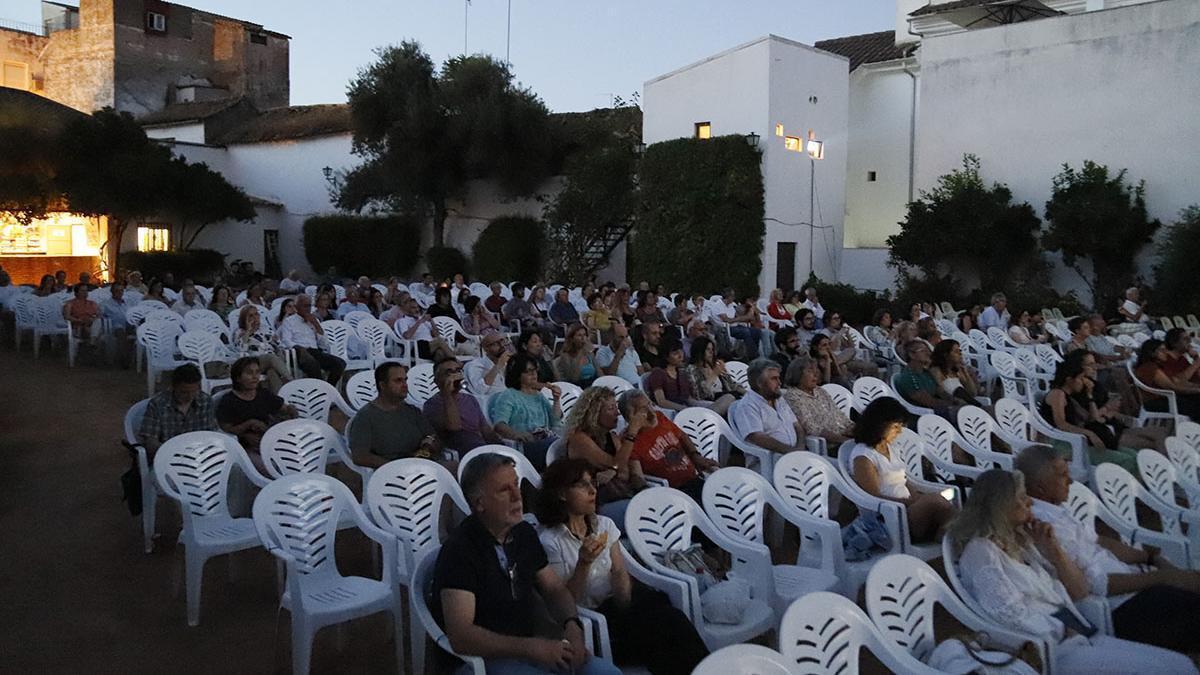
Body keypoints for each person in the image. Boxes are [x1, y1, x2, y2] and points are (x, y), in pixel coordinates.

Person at [947, 469, 1196, 675]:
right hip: (1051, 650)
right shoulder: (981, 553)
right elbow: (1007, 614)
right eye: (1022, 498)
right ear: (1001, 507)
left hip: (1080, 632)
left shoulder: (1024, 543)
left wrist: (1054, 551)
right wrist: (1060, 628)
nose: (1030, 502)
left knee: (1180, 665)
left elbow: (1079, 591)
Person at [432, 453, 621, 675]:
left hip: (529, 651)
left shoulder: (522, 534)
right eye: (504, 490)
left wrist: (572, 626)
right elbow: (462, 636)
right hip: (479, 661)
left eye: (515, 485)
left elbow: (554, 589)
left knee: (607, 672)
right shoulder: (461, 550)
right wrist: (532, 648)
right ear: (479, 503)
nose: (517, 496)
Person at [1016, 445, 1200, 653]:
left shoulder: (1057, 510)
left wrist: (1149, 557)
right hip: (1121, 607)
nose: (1072, 480)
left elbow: (1099, 540)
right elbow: (1096, 585)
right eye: (1063, 475)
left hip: (1136, 584)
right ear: (1040, 487)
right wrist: (1163, 578)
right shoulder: (1045, 526)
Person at [536, 459, 709, 675]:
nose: (592, 491)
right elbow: (565, 601)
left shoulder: (604, 525)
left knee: (670, 622)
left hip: (617, 609)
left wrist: (625, 593)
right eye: (582, 485)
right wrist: (584, 563)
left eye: (593, 483)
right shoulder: (551, 541)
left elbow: (619, 574)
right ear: (562, 494)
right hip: (591, 623)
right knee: (666, 632)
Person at [850, 397, 956, 543]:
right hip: (887, 516)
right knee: (936, 502)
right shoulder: (863, 456)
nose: (899, 431)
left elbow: (903, 482)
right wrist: (911, 503)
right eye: (895, 427)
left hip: (908, 509)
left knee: (943, 504)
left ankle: (948, 541)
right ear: (880, 424)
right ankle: (950, 544)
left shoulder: (891, 449)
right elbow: (873, 496)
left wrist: (917, 499)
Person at [1042, 355, 1140, 476]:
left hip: (1081, 440)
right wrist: (1089, 433)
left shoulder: (1073, 396)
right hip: (1066, 444)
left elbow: (1093, 419)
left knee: (1133, 454)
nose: (1083, 382)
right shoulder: (1057, 394)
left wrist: (1089, 395)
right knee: (1127, 459)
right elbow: (1061, 424)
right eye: (1081, 378)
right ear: (1069, 379)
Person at [616, 390, 717, 502]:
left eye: (650, 404)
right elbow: (637, 475)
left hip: (694, 479)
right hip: (675, 493)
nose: (651, 412)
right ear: (631, 416)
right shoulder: (629, 441)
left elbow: (682, 436)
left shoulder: (660, 418)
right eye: (643, 409)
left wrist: (695, 455)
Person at [564, 387, 642, 524]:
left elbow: (624, 472)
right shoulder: (579, 439)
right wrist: (632, 433)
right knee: (642, 512)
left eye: (616, 407)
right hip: (594, 504)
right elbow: (616, 463)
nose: (617, 413)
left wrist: (612, 471)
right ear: (594, 413)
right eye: (611, 408)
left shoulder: (612, 437)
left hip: (618, 495)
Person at [349, 362, 443, 468]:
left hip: (422, 465)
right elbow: (360, 456)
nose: (405, 385)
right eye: (398, 381)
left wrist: (429, 446)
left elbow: (433, 437)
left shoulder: (412, 411)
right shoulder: (365, 417)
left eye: (405, 380)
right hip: (393, 474)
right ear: (383, 385)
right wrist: (394, 467)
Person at [489, 353, 563, 471]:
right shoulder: (508, 395)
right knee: (558, 448)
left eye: (534, 370)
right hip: (523, 446)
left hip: (544, 439)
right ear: (518, 375)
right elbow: (499, 425)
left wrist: (556, 400)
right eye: (528, 371)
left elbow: (555, 420)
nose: (534, 374)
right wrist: (516, 434)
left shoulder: (539, 396)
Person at [137, 364, 219, 459]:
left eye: (194, 391)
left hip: (199, 457)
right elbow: (151, 441)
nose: (189, 397)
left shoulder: (206, 401)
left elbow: (211, 434)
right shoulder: (157, 404)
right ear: (173, 387)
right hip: (167, 457)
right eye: (184, 392)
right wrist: (173, 455)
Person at [424, 357, 501, 455]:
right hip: (458, 447)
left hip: (479, 446)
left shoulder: (470, 399)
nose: (455, 375)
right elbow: (454, 427)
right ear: (437, 381)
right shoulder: (431, 404)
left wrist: (502, 447)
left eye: (457, 371)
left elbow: (485, 429)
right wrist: (448, 394)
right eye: (449, 373)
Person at [216, 357, 296, 451]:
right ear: (238, 378)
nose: (255, 377)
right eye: (249, 373)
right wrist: (247, 427)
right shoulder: (229, 401)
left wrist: (291, 410)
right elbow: (226, 429)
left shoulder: (263, 394)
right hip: (244, 447)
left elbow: (284, 408)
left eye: (257, 372)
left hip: (268, 440)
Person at [728, 359, 805, 454]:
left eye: (778, 378)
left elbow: (797, 426)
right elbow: (757, 437)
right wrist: (790, 452)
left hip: (795, 455)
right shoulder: (748, 405)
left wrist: (800, 448)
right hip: (769, 459)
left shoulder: (779, 399)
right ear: (759, 383)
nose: (779, 383)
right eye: (774, 379)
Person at [782, 357, 853, 447]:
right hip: (829, 445)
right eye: (810, 370)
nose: (816, 374)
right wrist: (848, 442)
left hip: (845, 437)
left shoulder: (820, 391)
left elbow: (840, 417)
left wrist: (858, 432)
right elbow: (812, 429)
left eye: (816, 370)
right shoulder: (792, 396)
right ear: (798, 374)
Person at [276, 294, 346, 385]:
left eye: (309, 306)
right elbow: (286, 340)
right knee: (313, 364)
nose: (308, 309)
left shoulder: (314, 320)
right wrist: (298, 347)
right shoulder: (289, 321)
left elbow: (324, 344)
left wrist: (316, 325)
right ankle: (320, 390)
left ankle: (328, 388)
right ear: (296, 307)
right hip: (298, 353)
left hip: (315, 352)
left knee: (340, 364)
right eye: (305, 306)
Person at [1134, 338, 1200, 420]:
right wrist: (1197, 390)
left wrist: (1195, 387)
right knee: (1196, 405)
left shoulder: (1159, 365)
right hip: (1157, 401)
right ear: (1152, 353)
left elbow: (1177, 381)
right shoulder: (1149, 367)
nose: (1166, 352)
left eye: (1166, 350)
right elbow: (1172, 387)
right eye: (1162, 350)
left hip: (1167, 397)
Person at [894, 340, 960, 418]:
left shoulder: (926, 372)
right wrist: (953, 405)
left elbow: (941, 392)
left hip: (939, 408)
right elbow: (929, 402)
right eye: (923, 351)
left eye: (928, 350)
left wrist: (955, 400)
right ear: (912, 355)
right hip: (923, 415)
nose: (928, 353)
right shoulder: (908, 377)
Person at [233, 305, 292, 392]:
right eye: (250, 315)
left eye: (256, 314)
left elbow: (279, 344)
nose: (254, 317)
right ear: (244, 318)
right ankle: (291, 381)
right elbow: (241, 350)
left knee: (271, 372)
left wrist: (276, 341)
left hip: (271, 362)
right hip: (254, 362)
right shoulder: (240, 332)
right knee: (270, 357)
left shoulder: (265, 328)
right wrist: (248, 330)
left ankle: (281, 397)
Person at [683, 335, 744, 416]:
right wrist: (714, 374)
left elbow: (732, 385)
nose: (711, 352)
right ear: (700, 350)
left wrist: (747, 392)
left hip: (726, 396)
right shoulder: (692, 369)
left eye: (712, 349)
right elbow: (699, 395)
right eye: (708, 349)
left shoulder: (715, 366)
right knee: (730, 397)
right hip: (711, 402)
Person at [395, 295, 456, 362]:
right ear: (408, 309)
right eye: (413, 308)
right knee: (440, 341)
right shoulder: (403, 320)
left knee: (440, 353)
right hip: (417, 347)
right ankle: (456, 361)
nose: (417, 310)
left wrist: (431, 321)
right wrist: (419, 322)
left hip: (430, 346)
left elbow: (437, 334)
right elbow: (407, 336)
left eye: (418, 307)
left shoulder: (424, 320)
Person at [646, 343, 702, 413]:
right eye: (675, 353)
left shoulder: (681, 373)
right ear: (666, 356)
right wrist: (685, 409)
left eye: (681, 351)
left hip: (688, 409)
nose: (681, 356)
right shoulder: (658, 373)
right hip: (672, 413)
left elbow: (688, 399)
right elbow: (661, 401)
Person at [712, 288, 765, 359]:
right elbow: (727, 320)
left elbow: (744, 317)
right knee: (745, 332)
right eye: (733, 296)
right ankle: (752, 356)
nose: (734, 298)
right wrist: (740, 318)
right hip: (725, 328)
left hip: (735, 325)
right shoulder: (718, 305)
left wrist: (750, 309)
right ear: (729, 296)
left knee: (756, 331)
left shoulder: (731, 305)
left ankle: (754, 353)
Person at [928, 339, 979, 406]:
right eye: (956, 351)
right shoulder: (936, 370)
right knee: (959, 391)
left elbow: (973, 393)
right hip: (952, 405)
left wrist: (966, 373)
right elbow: (941, 393)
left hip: (967, 404)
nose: (960, 354)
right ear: (945, 355)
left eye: (959, 351)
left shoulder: (957, 371)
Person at [465, 333, 510, 397]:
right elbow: (480, 390)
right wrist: (498, 366)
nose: (501, 345)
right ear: (486, 349)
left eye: (502, 341)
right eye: (496, 343)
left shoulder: (507, 363)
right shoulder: (475, 365)